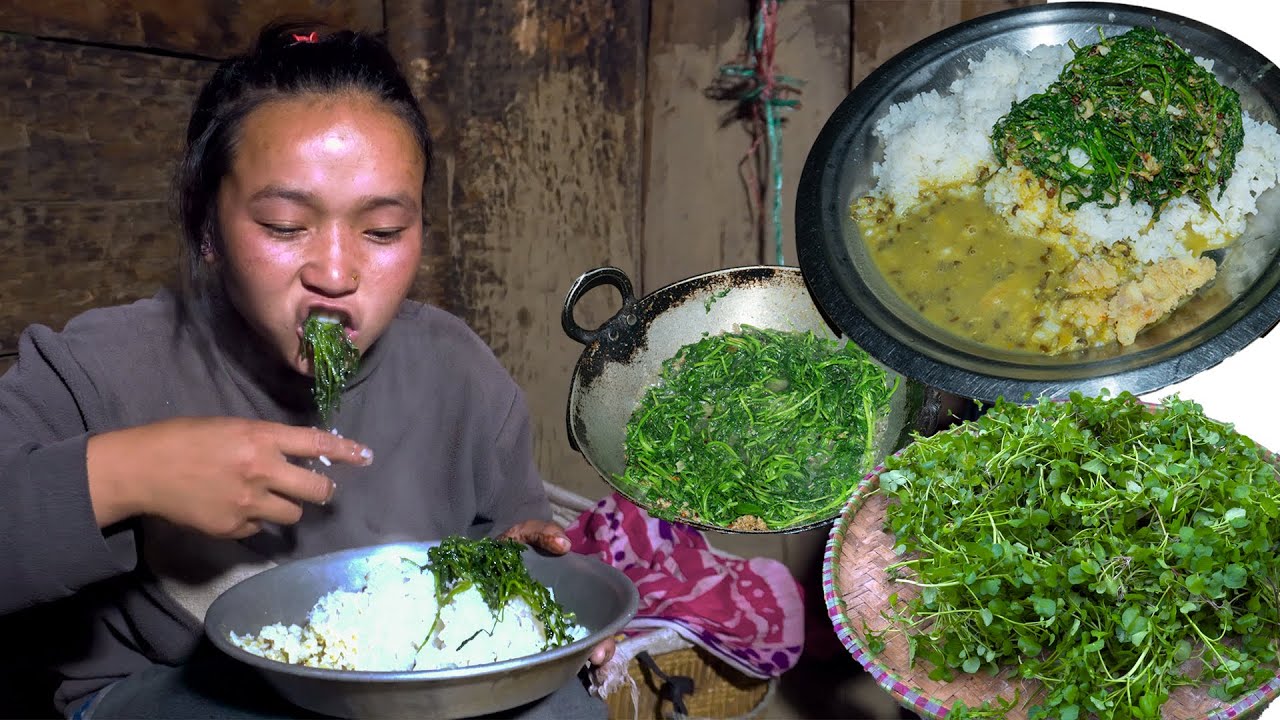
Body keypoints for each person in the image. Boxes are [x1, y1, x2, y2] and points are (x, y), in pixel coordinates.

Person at [0, 21, 613, 720]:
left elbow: (508, 523)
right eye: (285, 226)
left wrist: (521, 565)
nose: (335, 272)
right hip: (172, 690)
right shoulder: (97, 364)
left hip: (411, 682)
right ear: (206, 227)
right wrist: (128, 473)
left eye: (382, 231)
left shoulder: (457, 368)